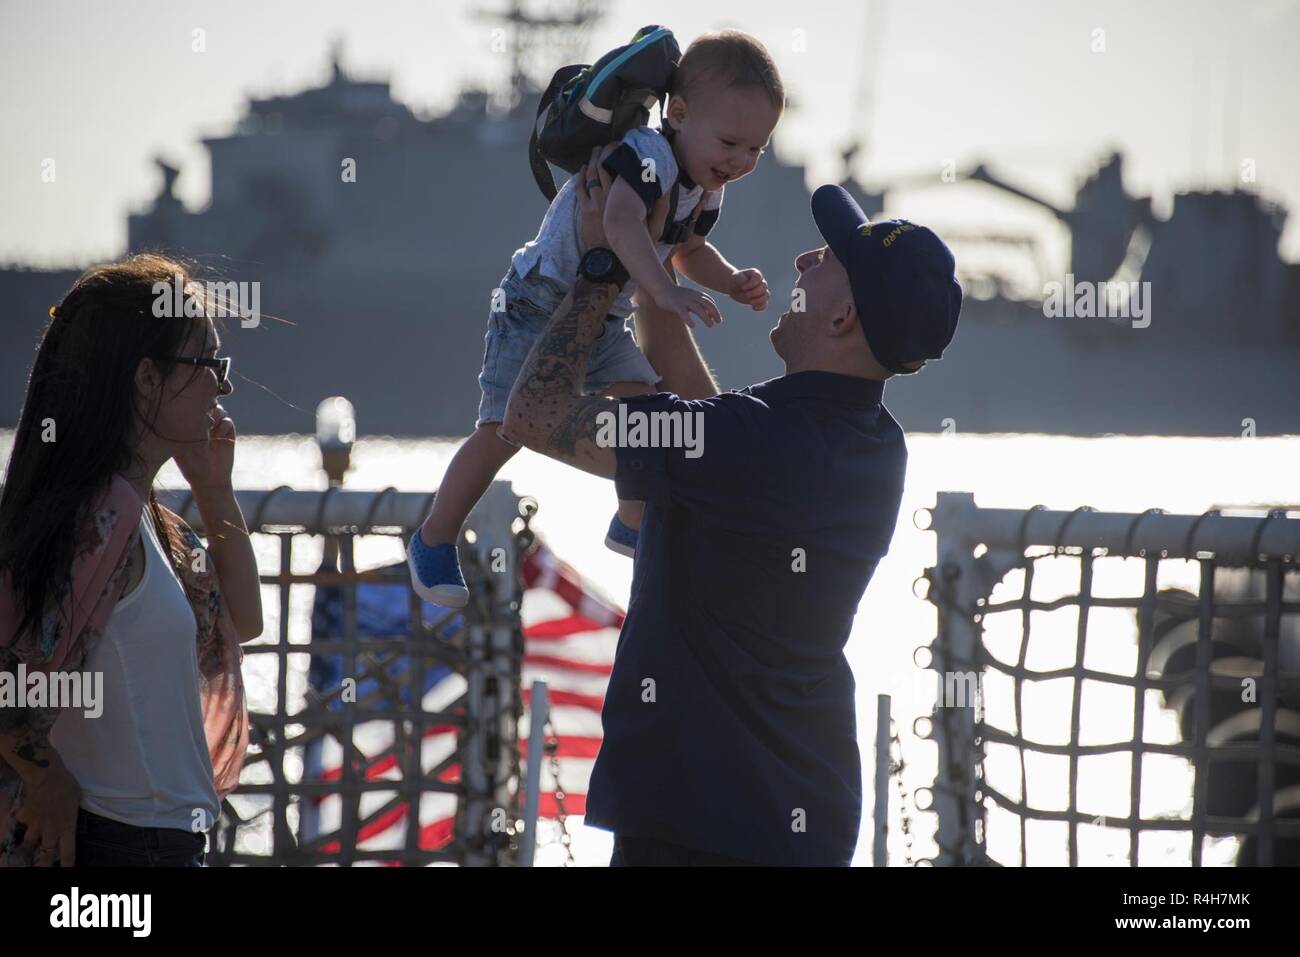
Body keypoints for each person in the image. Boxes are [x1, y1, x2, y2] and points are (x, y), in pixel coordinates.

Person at [499, 151, 962, 866]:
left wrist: (598, 268)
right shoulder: (869, 444)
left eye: (830, 259)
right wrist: (650, 260)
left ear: (841, 315)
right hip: (790, 814)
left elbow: (533, 414)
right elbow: (709, 432)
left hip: (699, 825)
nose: (807, 259)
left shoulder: (756, 443)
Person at [408, 30, 784, 608]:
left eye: (755, 150)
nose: (740, 161)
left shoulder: (706, 187)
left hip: (602, 316)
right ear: (678, 113)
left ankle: (630, 520)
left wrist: (730, 281)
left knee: (645, 402)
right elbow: (621, 223)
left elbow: (687, 249)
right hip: (536, 302)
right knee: (503, 431)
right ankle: (434, 539)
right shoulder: (648, 156)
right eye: (731, 142)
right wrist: (664, 294)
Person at [0, 254, 261, 867]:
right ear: (147, 379)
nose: (222, 386)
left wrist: (214, 493)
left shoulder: (140, 517)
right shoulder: (100, 518)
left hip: (157, 842)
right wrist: (44, 776)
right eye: (208, 365)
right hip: (118, 845)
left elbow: (240, 621)